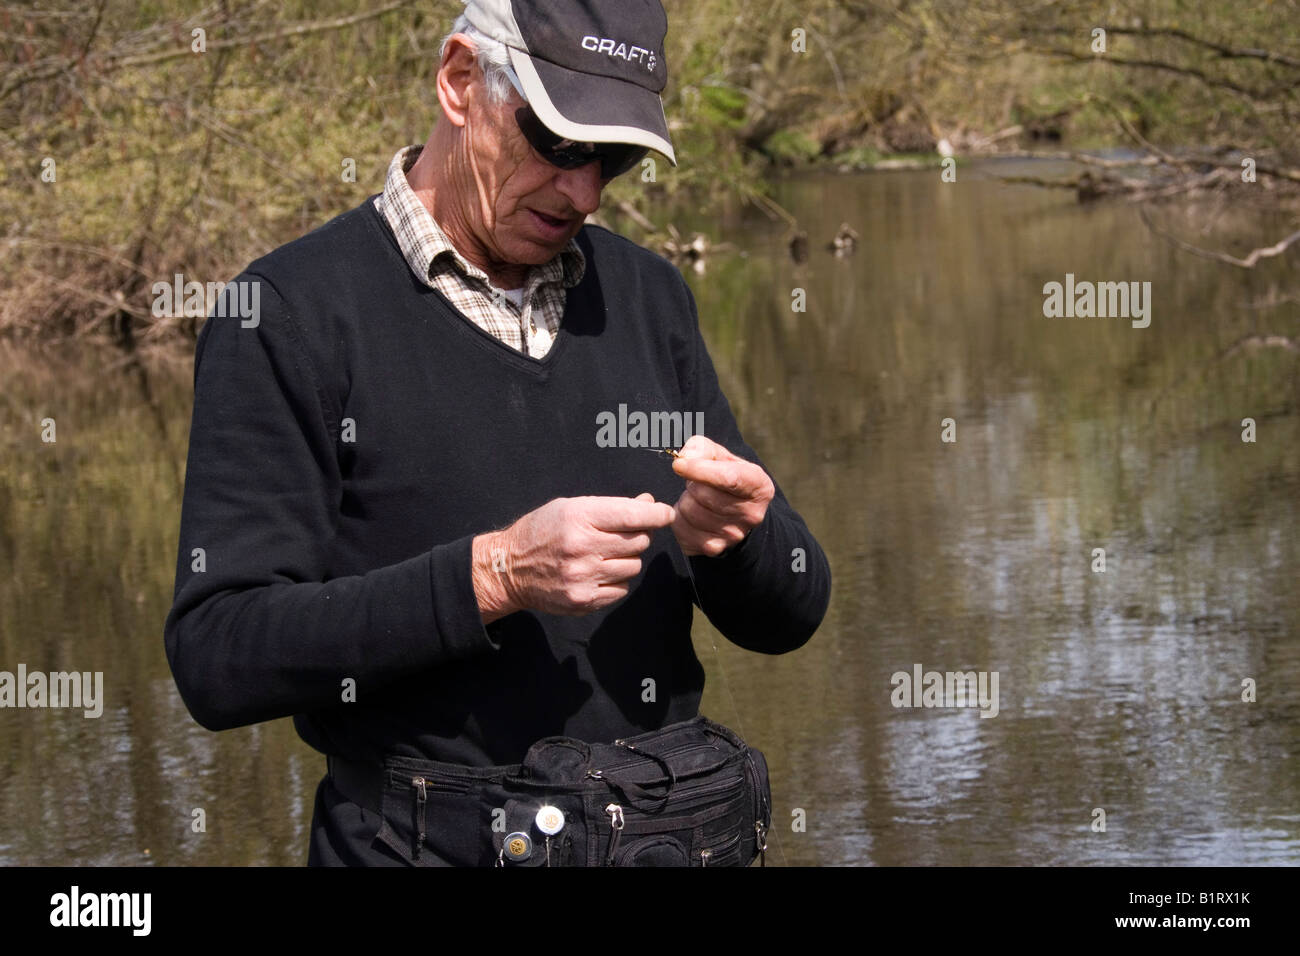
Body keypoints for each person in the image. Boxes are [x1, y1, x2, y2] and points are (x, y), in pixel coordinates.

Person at [164, 0, 831, 866]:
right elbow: (217, 658)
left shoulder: (649, 299)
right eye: (555, 141)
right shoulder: (287, 316)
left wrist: (739, 540)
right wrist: (493, 576)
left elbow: (793, 612)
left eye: (614, 158)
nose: (584, 190)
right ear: (458, 80)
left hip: (667, 835)